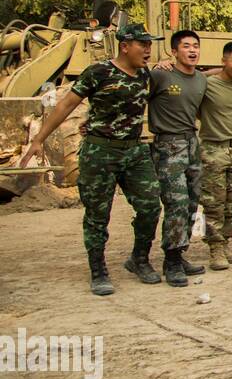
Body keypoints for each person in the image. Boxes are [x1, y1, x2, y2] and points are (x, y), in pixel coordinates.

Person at [20, 22, 163, 295]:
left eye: (149, 45)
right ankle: (98, 270)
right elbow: (65, 105)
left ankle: (139, 259)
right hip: (100, 152)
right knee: (98, 214)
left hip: (135, 151)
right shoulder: (99, 72)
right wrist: (38, 139)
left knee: (150, 206)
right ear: (125, 46)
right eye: (142, 45)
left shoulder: (147, 75)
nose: (148, 50)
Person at [148, 29, 207, 286]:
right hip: (167, 144)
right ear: (174, 51)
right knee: (176, 202)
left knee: (193, 200)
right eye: (186, 46)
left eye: (195, 46)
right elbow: (136, 91)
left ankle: (179, 252)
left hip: (192, 142)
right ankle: (170, 260)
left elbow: (214, 75)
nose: (192, 50)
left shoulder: (201, 78)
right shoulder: (160, 75)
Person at [198, 41, 232, 271]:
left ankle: (225, 242)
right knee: (213, 202)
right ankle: (215, 248)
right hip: (213, 149)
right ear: (223, 61)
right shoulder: (206, 84)